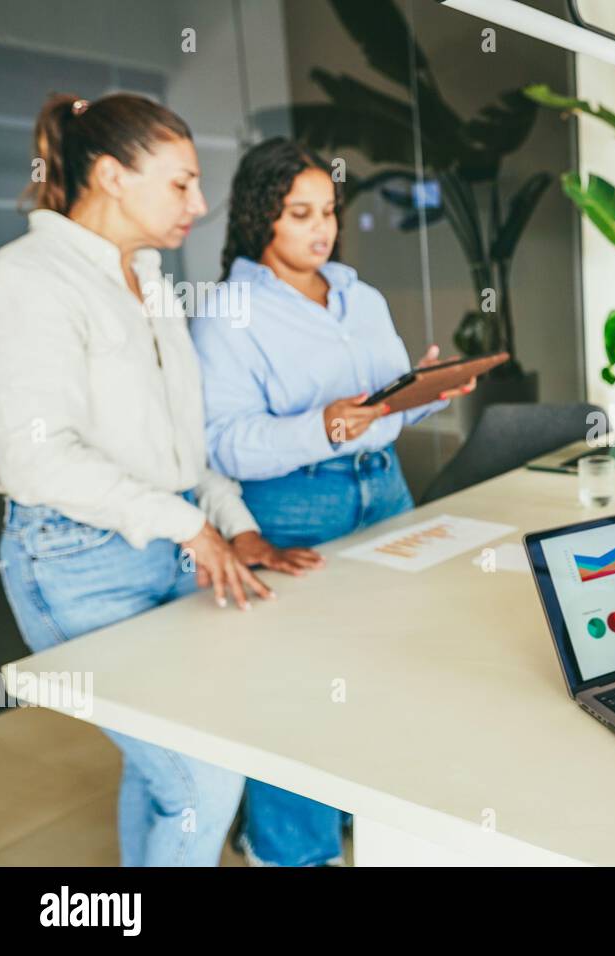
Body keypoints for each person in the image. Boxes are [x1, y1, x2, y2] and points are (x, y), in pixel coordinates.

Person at [0, 93, 319, 866]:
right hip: (74, 564)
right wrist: (189, 528)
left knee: (169, 760)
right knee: (204, 778)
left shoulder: (150, 279)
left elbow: (182, 446)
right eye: (181, 184)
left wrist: (234, 523)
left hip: (166, 544)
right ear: (109, 174)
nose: (200, 206)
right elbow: (35, 456)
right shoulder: (26, 280)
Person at [191, 137, 472, 866]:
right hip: (295, 508)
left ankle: (360, 809)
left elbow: (379, 411)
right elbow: (223, 445)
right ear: (262, 220)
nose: (322, 228)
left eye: (330, 212)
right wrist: (319, 427)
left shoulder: (360, 295)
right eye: (300, 213)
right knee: (298, 694)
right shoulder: (228, 313)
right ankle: (287, 848)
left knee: (388, 667)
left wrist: (423, 392)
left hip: (386, 489)